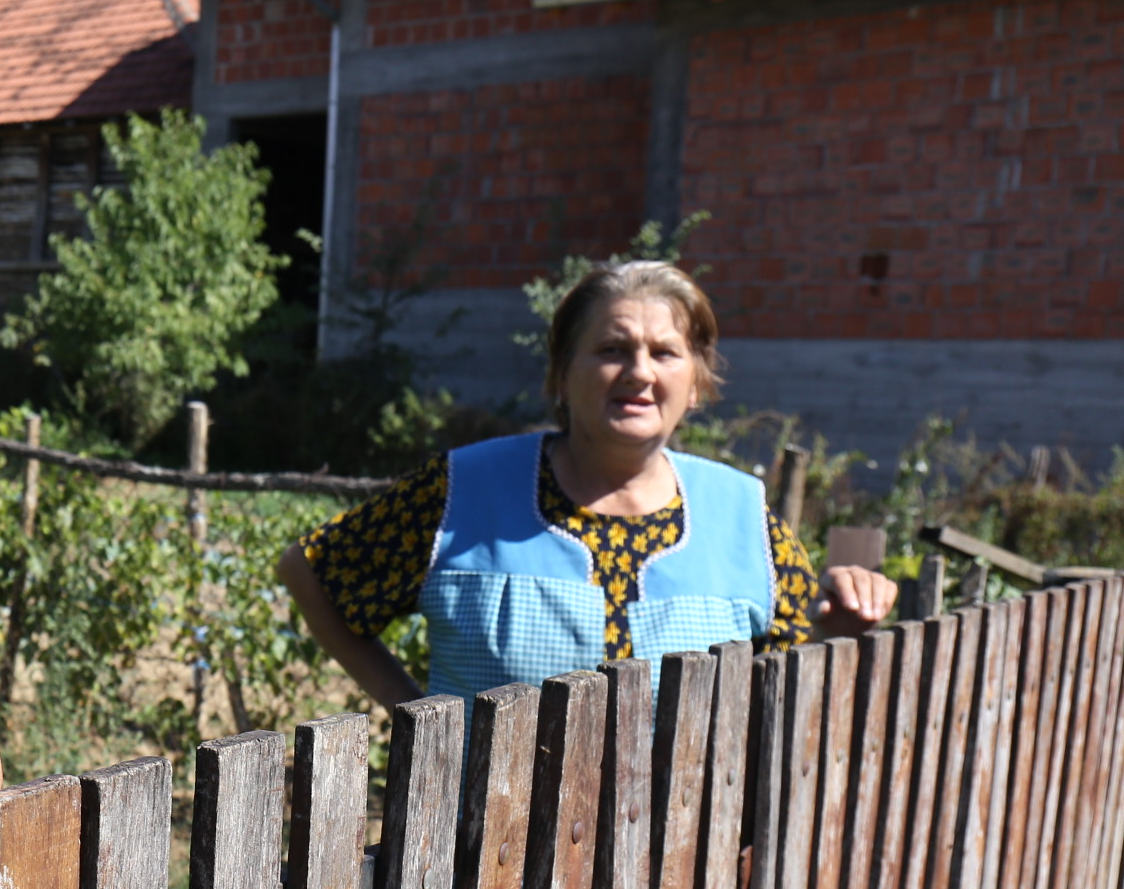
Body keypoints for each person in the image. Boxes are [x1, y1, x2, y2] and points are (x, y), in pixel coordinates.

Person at [279, 260, 897, 706]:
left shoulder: (743, 515)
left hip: (677, 857)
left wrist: (833, 632)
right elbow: (312, 572)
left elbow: (782, 678)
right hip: (489, 856)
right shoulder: (464, 490)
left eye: (665, 352)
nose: (639, 372)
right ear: (561, 371)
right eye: (611, 348)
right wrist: (412, 712)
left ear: (699, 380)